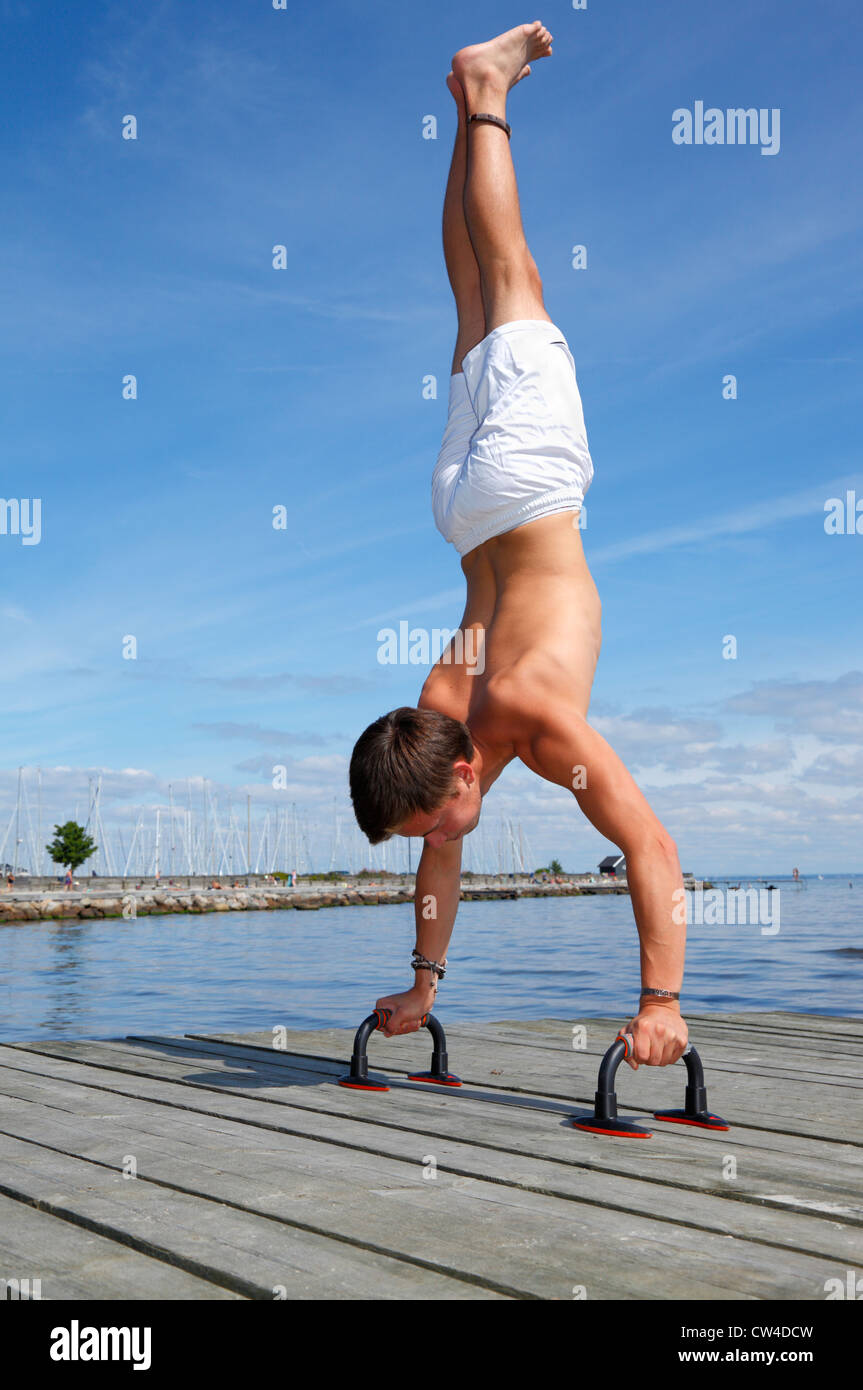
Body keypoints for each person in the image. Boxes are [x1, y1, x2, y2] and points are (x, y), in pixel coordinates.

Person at [349, 22, 688, 1070]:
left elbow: (652, 847)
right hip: (459, 507)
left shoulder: (529, 723)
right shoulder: (435, 715)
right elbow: (442, 850)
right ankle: (467, 101)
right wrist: (421, 984)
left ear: (449, 779)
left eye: (433, 826)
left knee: (510, 275)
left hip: (523, 492)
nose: (440, 847)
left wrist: (659, 999)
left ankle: (486, 97)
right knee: (475, 295)